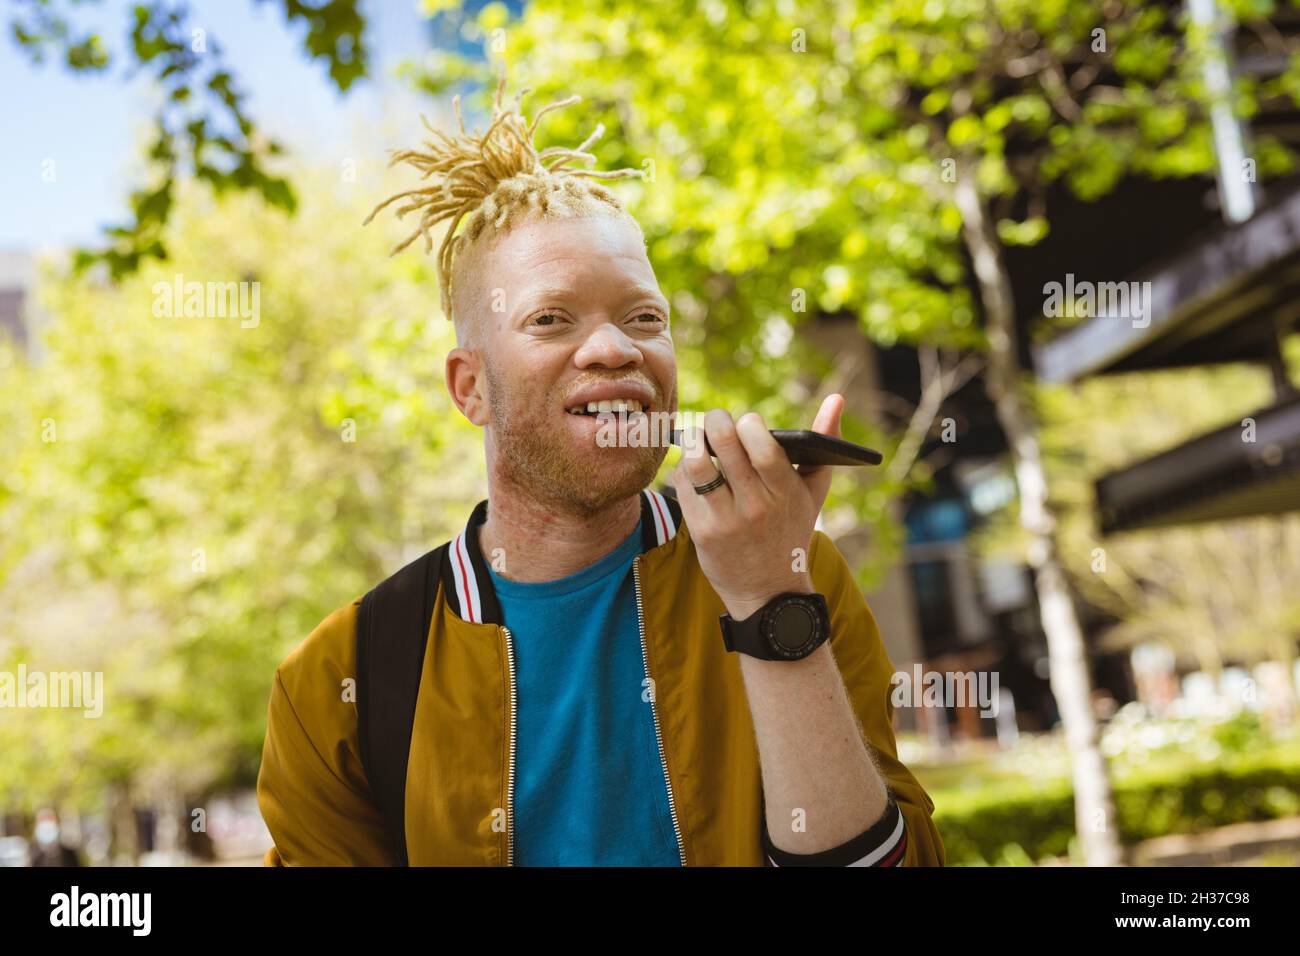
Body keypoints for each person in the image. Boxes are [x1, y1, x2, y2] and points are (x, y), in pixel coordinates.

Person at [255, 68, 943, 867]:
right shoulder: (336, 679)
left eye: (644, 317)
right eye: (551, 319)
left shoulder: (795, 576)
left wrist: (770, 603)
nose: (618, 347)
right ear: (470, 388)